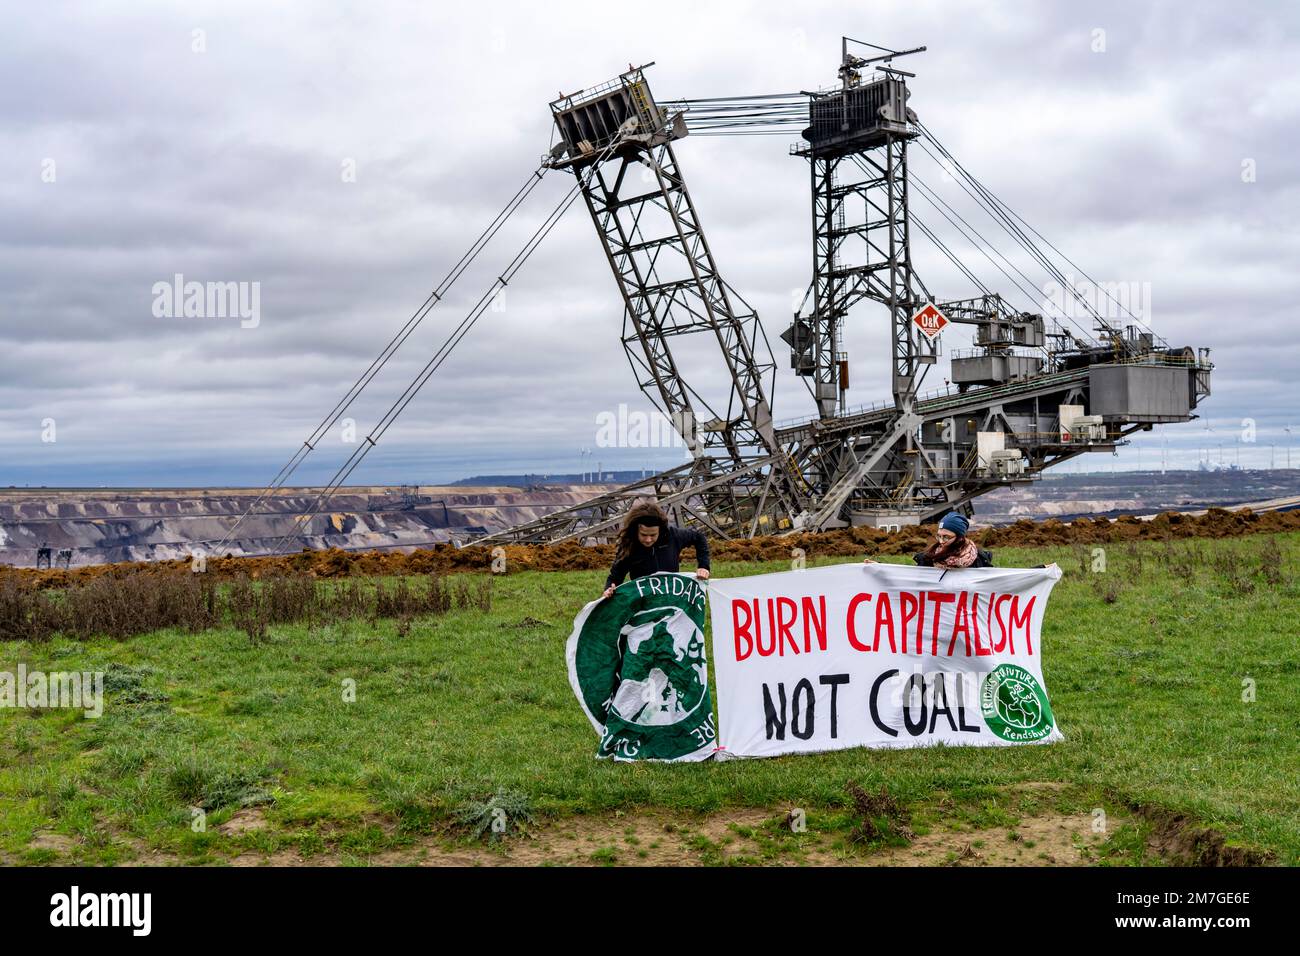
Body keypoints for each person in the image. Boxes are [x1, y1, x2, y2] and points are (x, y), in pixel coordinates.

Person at [601, 502, 711, 598]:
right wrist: (609, 589)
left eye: (653, 535)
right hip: (644, 601)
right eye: (644, 535)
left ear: (660, 530)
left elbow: (699, 538)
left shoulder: (672, 536)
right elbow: (615, 576)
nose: (648, 540)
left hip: (673, 597)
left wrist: (703, 566)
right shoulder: (629, 545)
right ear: (636, 531)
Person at [863, 512, 993, 569]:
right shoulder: (929, 558)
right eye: (939, 536)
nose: (941, 541)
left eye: (946, 537)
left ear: (960, 538)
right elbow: (906, 577)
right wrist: (879, 568)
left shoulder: (979, 559)